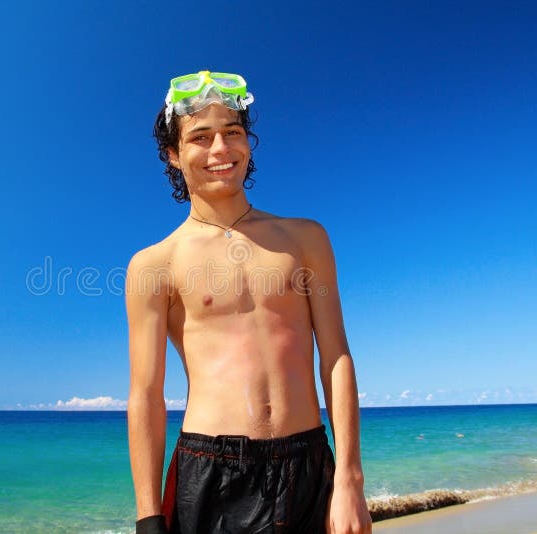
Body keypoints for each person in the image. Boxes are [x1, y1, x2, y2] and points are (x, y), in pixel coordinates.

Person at [126, 70, 372, 534]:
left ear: (248, 144)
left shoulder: (305, 239)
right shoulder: (154, 264)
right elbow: (145, 395)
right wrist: (148, 517)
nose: (220, 149)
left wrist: (350, 479)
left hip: (309, 465)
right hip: (211, 475)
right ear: (174, 155)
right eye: (201, 137)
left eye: (232, 132)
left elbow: (336, 356)